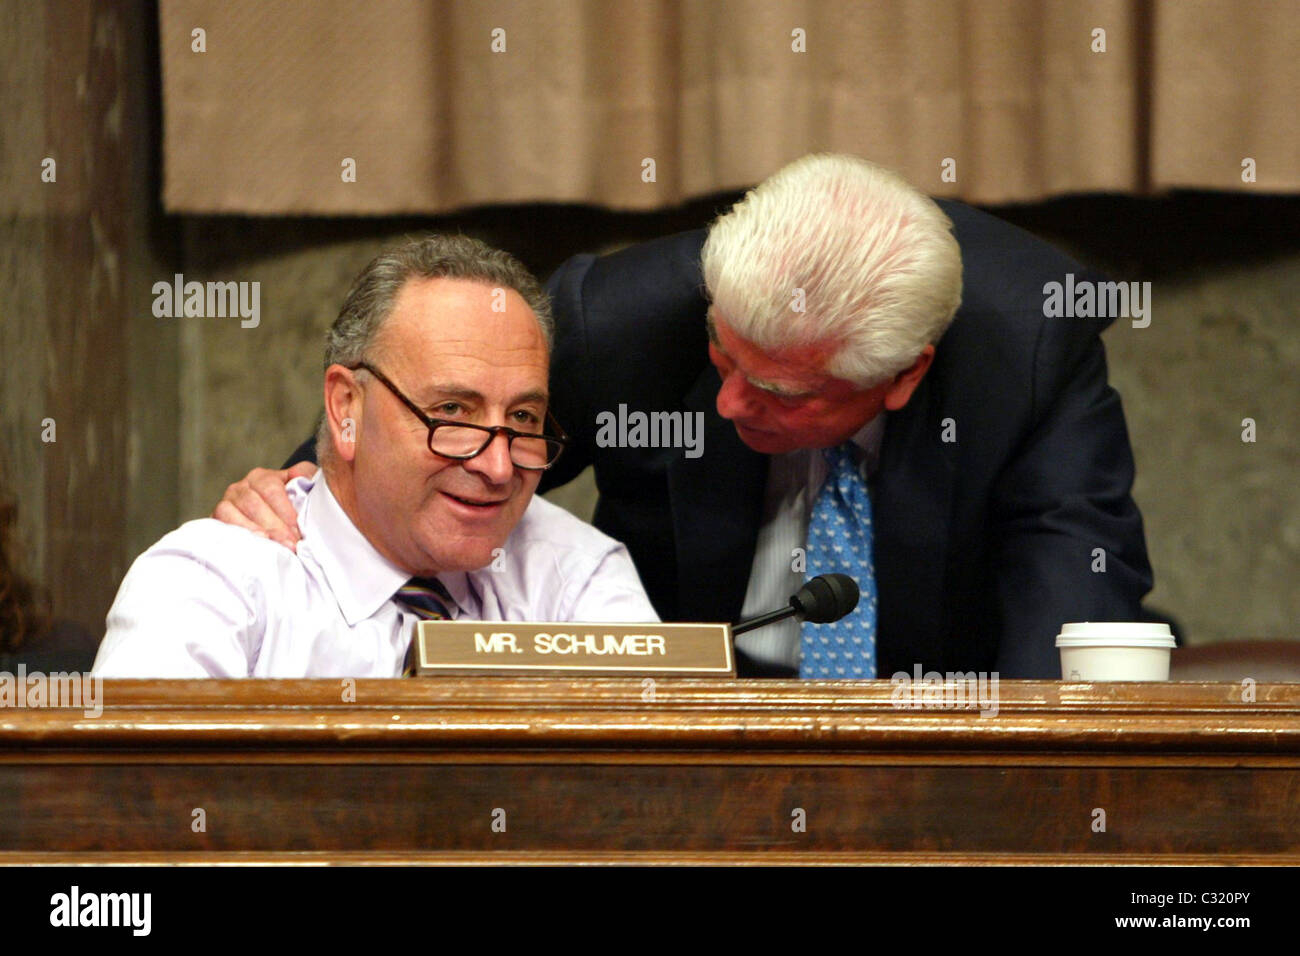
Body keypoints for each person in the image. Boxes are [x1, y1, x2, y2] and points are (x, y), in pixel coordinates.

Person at [217, 155, 1153, 680]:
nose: (733, 403)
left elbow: (1069, 624)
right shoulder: (626, 321)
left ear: (902, 377)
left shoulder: (1027, 343)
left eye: (782, 393)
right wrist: (307, 488)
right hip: (686, 731)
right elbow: (432, 435)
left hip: (936, 733)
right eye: (722, 359)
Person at [93, 235, 657, 678]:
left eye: (523, 420)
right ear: (346, 407)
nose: (499, 467)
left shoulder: (574, 574)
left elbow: (661, 797)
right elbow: (128, 810)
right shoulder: (214, 588)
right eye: (453, 412)